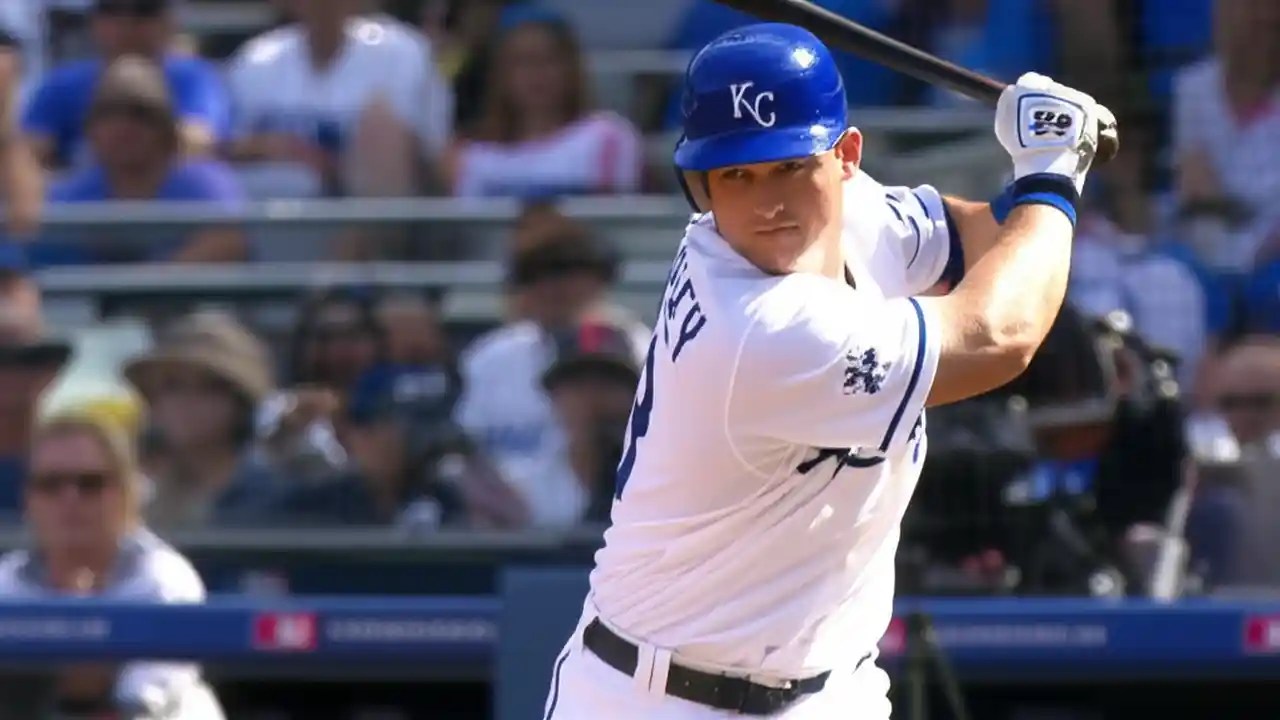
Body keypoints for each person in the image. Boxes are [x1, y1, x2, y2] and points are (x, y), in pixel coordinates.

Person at [543, 24, 1110, 718]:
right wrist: (1053, 174)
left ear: (846, 157)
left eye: (789, 165)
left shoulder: (853, 212)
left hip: (829, 688)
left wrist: (1039, 167)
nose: (768, 202)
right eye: (737, 175)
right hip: (662, 696)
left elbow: (978, 239)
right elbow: (999, 336)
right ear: (702, 187)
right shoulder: (755, 329)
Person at [0, 400, 225, 719]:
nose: (70, 499)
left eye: (89, 484)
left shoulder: (162, 579)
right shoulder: (6, 584)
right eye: (50, 484)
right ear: (28, 499)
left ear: (125, 493)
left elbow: (145, 704)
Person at [43, 55, 248, 264]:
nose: (123, 127)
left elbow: (228, 241)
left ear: (166, 128)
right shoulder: (76, 193)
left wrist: (145, 286)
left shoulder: (203, 182)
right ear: (90, 128)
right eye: (108, 113)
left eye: (140, 114)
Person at [449, 5, 643, 198]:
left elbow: (611, 219)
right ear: (500, 74)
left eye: (548, 60)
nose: (536, 73)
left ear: (571, 68)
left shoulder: (607, 137)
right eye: (522, 62)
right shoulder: (471, 155)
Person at [21, 0, 230, 170]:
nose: (126, 23)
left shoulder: (193, 77)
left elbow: (198, 142)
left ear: (169, 21)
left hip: (168, 204)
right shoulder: (64, 83)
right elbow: (29, 153)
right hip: (83, 207)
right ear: (94, 21)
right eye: (111, 9)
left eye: (144, 10)